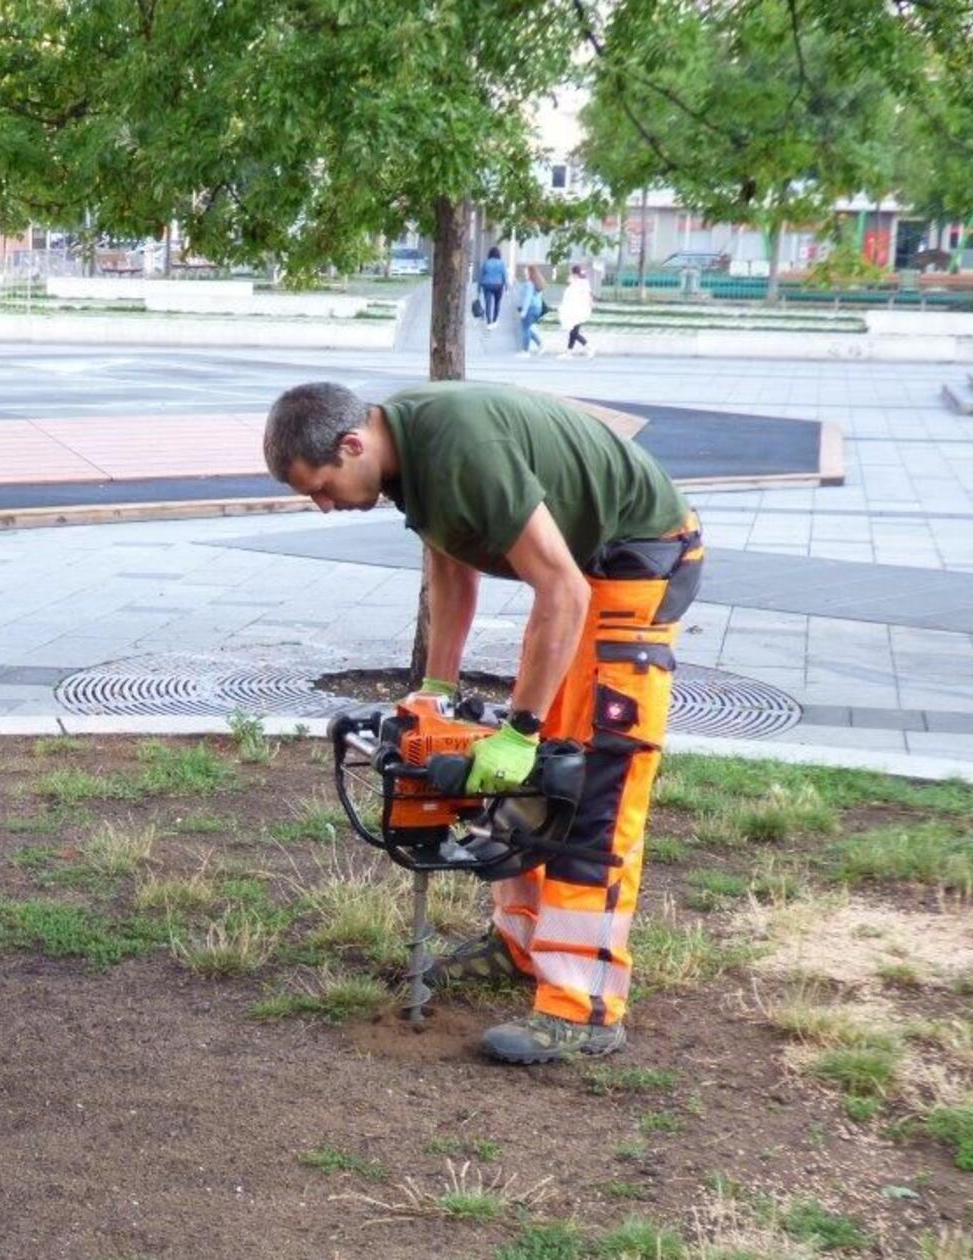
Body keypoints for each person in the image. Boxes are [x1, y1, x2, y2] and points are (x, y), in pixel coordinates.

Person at [261, 380, 703, 1065]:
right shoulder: (407, 455)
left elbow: (562, 588)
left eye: (320, 487)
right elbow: (452, 563)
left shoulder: (461, 448)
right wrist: (436, 690)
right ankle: (521, 945)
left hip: (635, 554)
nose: (322, 506)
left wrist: (523, 728)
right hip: (583, 565)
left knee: (591, 781)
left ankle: (582, 1009)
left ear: (352, 445)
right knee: (530, 780)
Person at [558, 263, 594, 358]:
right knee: (573, 332)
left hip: (576, 310)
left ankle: (588, 347)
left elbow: (571, 295)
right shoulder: (583, 282)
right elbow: (589, 295)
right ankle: (569, 352)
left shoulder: (577, 282)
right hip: (581, 310)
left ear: (574, 273)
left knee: (573, 332)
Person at [514, 265, 547, 356]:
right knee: (527, 328)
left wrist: (524, 311)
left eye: (526, 272)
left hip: (530, 309)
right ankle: (540, 344)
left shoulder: (530, 284)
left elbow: (527, 298)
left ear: (531, 273)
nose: (524, 273)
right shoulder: (536, 283)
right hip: (537, 309)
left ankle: (526, 351)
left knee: (525, 329)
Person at [477, 247, 508, 326]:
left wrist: (478, 288)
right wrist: (506, 287)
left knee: (488, 303)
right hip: (498, 285)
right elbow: (504, 275)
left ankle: (489, 320)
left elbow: (480, 276)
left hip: (487, 284)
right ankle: (495, 319)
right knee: (497, 303)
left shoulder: (486, 263)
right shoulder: (501, 263)